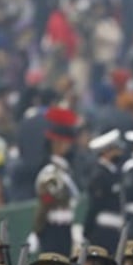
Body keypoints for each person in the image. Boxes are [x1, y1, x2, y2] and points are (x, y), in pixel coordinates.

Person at [32, 107, 81, 256]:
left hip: (65, 228)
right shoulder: (50, 173)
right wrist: (37, 230)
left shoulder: (64, 170)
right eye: (64, 143)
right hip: (53, 230)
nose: (68, 146)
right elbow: (45, 205)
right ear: (56, 143)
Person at [84, 129, 125, 253]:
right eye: (115, 149)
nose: (119, 153)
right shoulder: (99, 175)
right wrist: (87, 231)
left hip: (115, 229)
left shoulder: (114, 172)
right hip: (102, 231)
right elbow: (95, 205)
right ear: (106, 152)